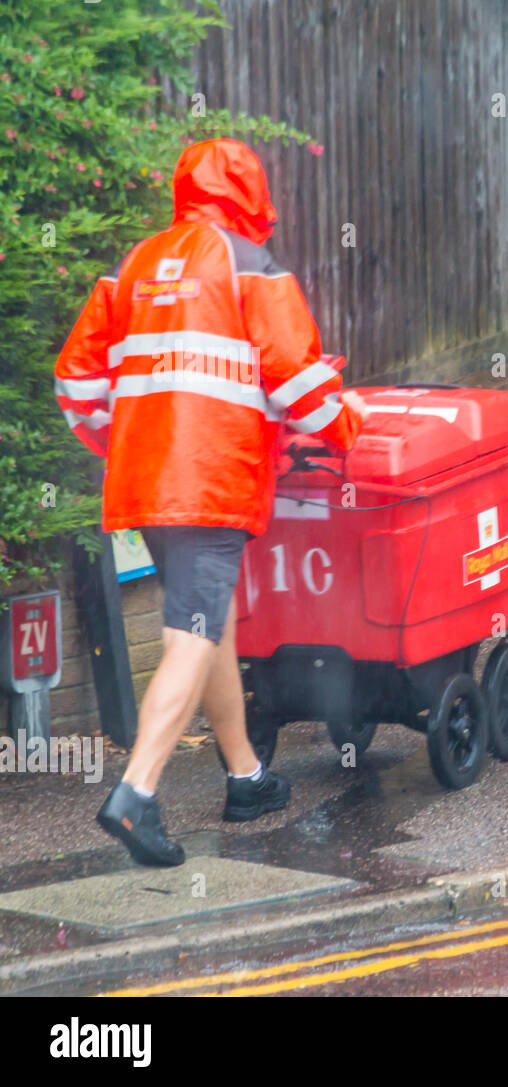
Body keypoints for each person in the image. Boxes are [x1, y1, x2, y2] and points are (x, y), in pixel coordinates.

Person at [54, 138, 367, 866]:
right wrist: (348, 427)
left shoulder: (132, 265)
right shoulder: (251, 267)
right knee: (192, 633)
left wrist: (120, 441)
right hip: (211, 482)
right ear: (253, 199)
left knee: (209, 616)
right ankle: (135, 794)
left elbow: (76, 380)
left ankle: (246, 777)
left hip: (147, 484)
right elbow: (295, 380)